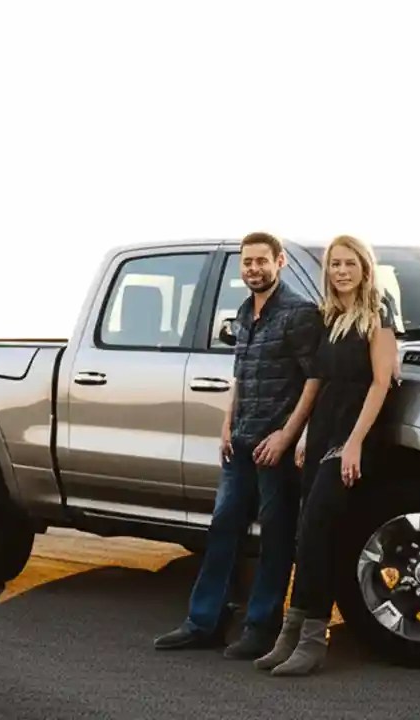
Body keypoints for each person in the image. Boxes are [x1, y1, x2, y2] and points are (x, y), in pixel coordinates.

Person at [154, 232, 324, 659]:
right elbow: (242, 376)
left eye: (261, 261)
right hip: (241, 443)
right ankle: (203, 623)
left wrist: (288, 436)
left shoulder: (300, 314)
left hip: (275, 447)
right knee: (223, 531)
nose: (253, 269)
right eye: (246, 262)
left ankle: (261, 628)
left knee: (276, 539)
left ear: (279, 262)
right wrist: (227, 423)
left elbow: (314, 380)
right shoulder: (245, 313)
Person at [253, 234, 398, 677]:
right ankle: (290, 636)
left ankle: (314, 639)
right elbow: (317, 382)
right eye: (334, 264)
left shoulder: (379, 315)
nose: (340, 271)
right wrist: (299, 436)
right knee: (307, 534)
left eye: (349, 263)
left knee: (318, 529)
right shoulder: (329, 317)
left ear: (364, 267)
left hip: (353, 438)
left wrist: (354, 443)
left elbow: (380, 383)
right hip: (322, 436)